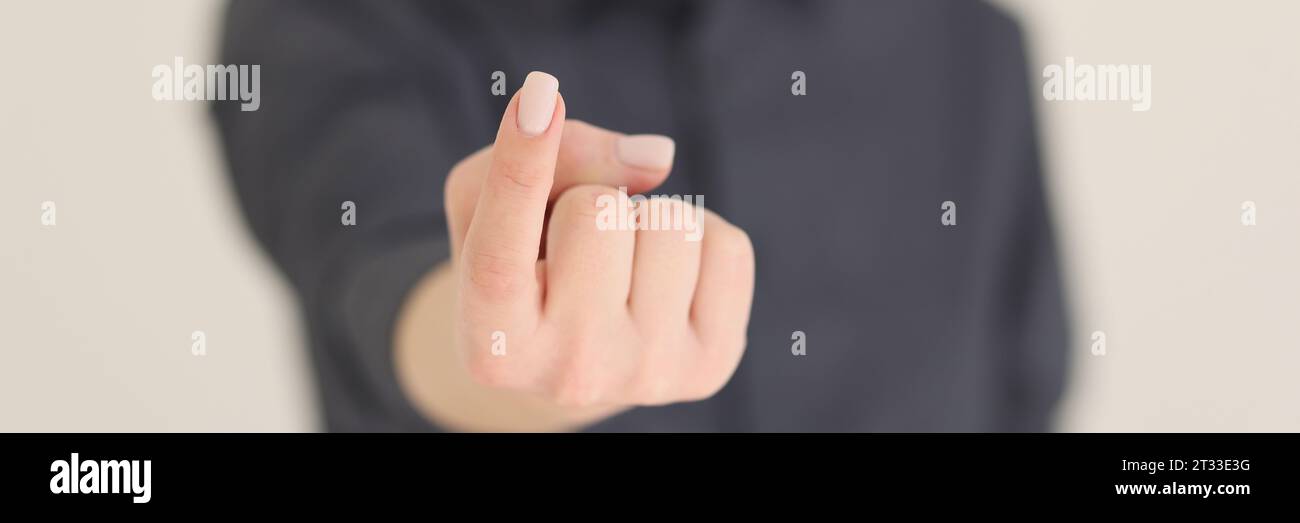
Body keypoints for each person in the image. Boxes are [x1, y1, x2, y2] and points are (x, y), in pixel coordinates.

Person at [213, 0, 1069, 432]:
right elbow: (392, 294)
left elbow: (1023, 384)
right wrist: (509, 339)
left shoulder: (964, 41)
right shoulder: (334, 23)